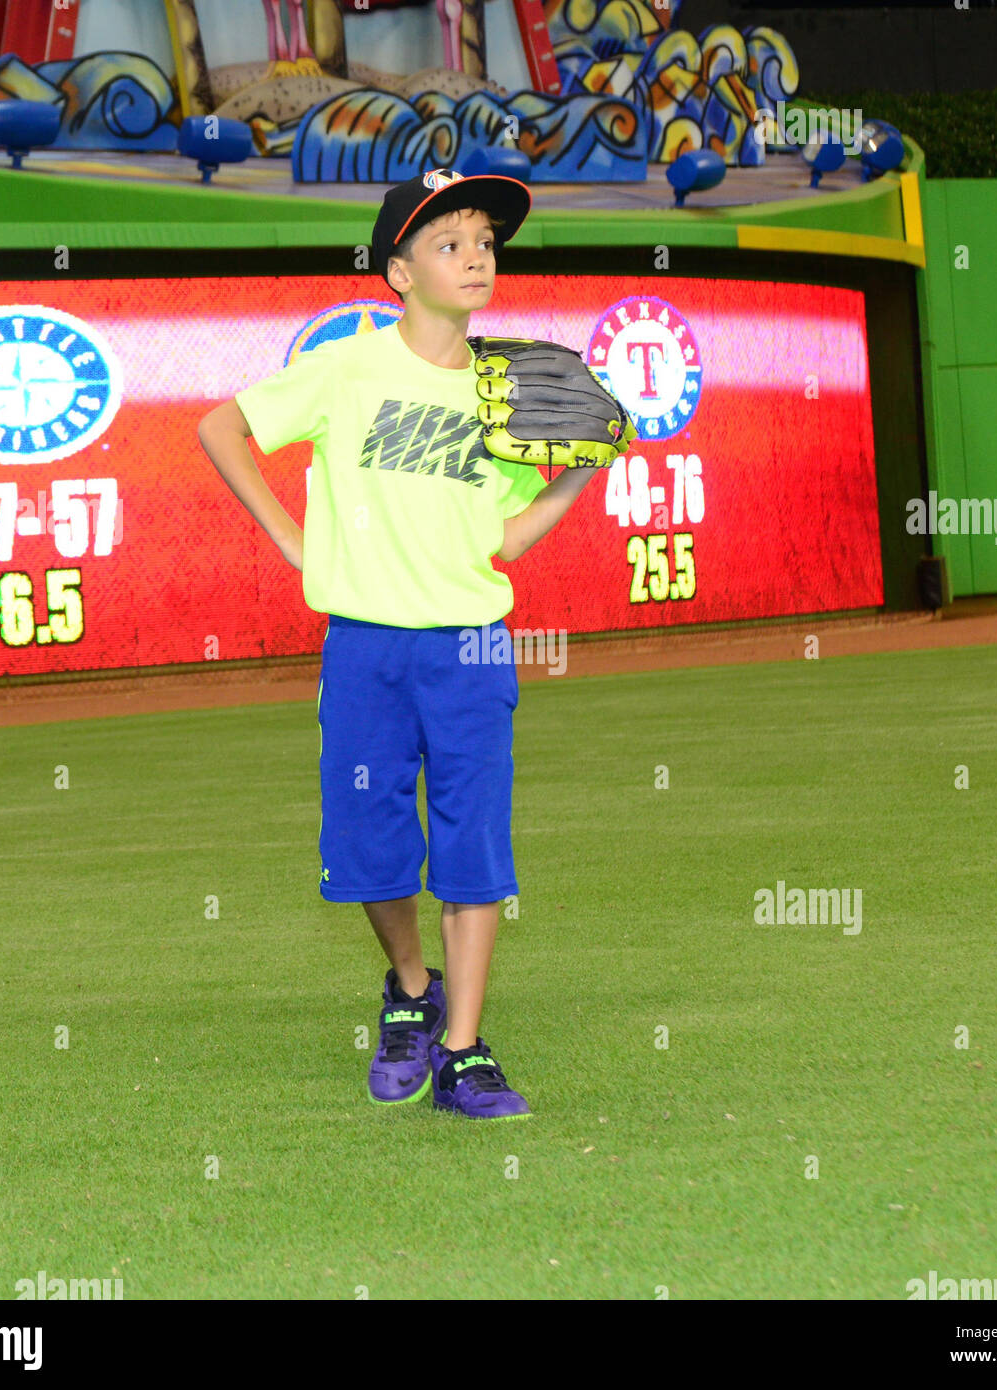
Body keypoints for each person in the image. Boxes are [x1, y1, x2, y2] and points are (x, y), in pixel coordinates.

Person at [197, 168, 602, 1119]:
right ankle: (410, 991)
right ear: (399, 271)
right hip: (367, 645)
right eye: (449, 241)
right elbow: (222, 427)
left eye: (485, 241)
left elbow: (496, 540)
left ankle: (462, 1051)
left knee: (473, 849)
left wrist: (574, 481)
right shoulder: (350, 369)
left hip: (469, 643)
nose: (474, 256)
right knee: (373, 850)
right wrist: (291, 537)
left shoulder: (508, 394)